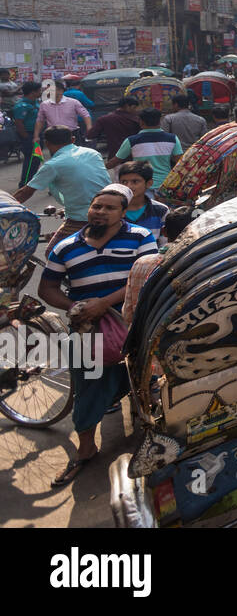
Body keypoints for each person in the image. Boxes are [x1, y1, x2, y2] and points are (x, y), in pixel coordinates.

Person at [39, 185, 158, 487]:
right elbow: (47, 289)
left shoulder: (141, 237)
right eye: (97, 206)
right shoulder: (65, 247)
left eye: (109, 208)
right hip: (86, 329)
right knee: (87, 386)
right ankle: (86, 447)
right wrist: (76, 306)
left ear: (122, 213)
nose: (101, 212)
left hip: (133, 322)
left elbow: (148, 277)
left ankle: (152, 431)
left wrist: (103, 303)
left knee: (144, 378)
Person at [14, 126, 111, 251]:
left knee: (52, 251)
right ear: (73, 139)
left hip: (82, 216)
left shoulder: (53, 165)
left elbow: (25, 192)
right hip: (110, 210)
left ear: (47, 143)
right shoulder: (93, 153)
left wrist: (6, 207)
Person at [107, 108, 182, 189]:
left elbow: (114, 161)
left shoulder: (132, 140)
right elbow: (180, 162)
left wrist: (98, 166)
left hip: (141, 186)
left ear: (141, 122)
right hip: (164, 185)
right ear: (160, 121)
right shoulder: (173, 138)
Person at [116, 160, 169, 242]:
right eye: (124, 182)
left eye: (135, 181)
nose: (128, 186)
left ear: (149, 183)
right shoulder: (113, 210)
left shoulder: (161, 210)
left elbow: (164, 243)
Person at [35, 80, 91, 145]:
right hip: (53, 135)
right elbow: (39, 120)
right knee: (56, 154)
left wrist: (89, 128)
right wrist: (36, 136)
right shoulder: (44, 105)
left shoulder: (73, 102)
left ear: (60, 91)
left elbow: (85, 115)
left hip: (71, 133)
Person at [10, 81, 41, 184]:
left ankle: (31, 181)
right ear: (33, 92)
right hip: (28, 134)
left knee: (36, 158)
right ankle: (24, 183)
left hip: (36, 134)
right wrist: (26, 137)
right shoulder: (21, 106)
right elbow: (19, 123)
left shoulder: (35, 102)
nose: (40, 92)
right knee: (31, 158)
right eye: (39, 90)